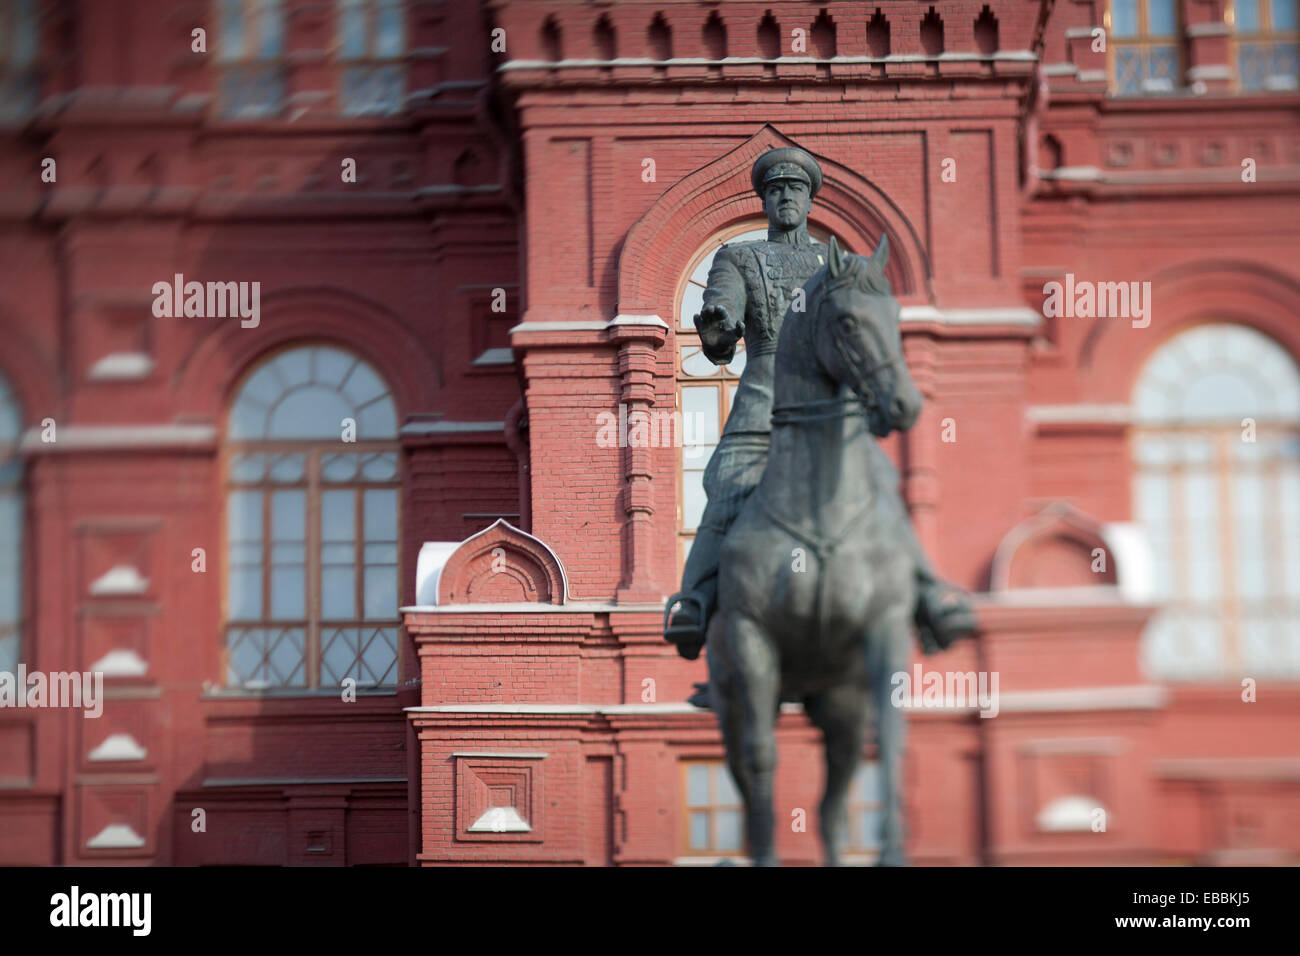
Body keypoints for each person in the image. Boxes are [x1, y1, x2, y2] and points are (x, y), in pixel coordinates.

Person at [663, 147, 976, 703]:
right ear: (764, 200)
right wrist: (718, 324)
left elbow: (864, 336)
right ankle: (694, 599)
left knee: (879, 483)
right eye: (776, 190)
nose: (786, 197)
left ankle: (929, 592)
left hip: (835, 415)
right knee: (730, 490)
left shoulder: (837, 265)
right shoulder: (738, 258)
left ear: (809, 200)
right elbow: (721, 322)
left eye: (796, 190)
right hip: (762, 407)